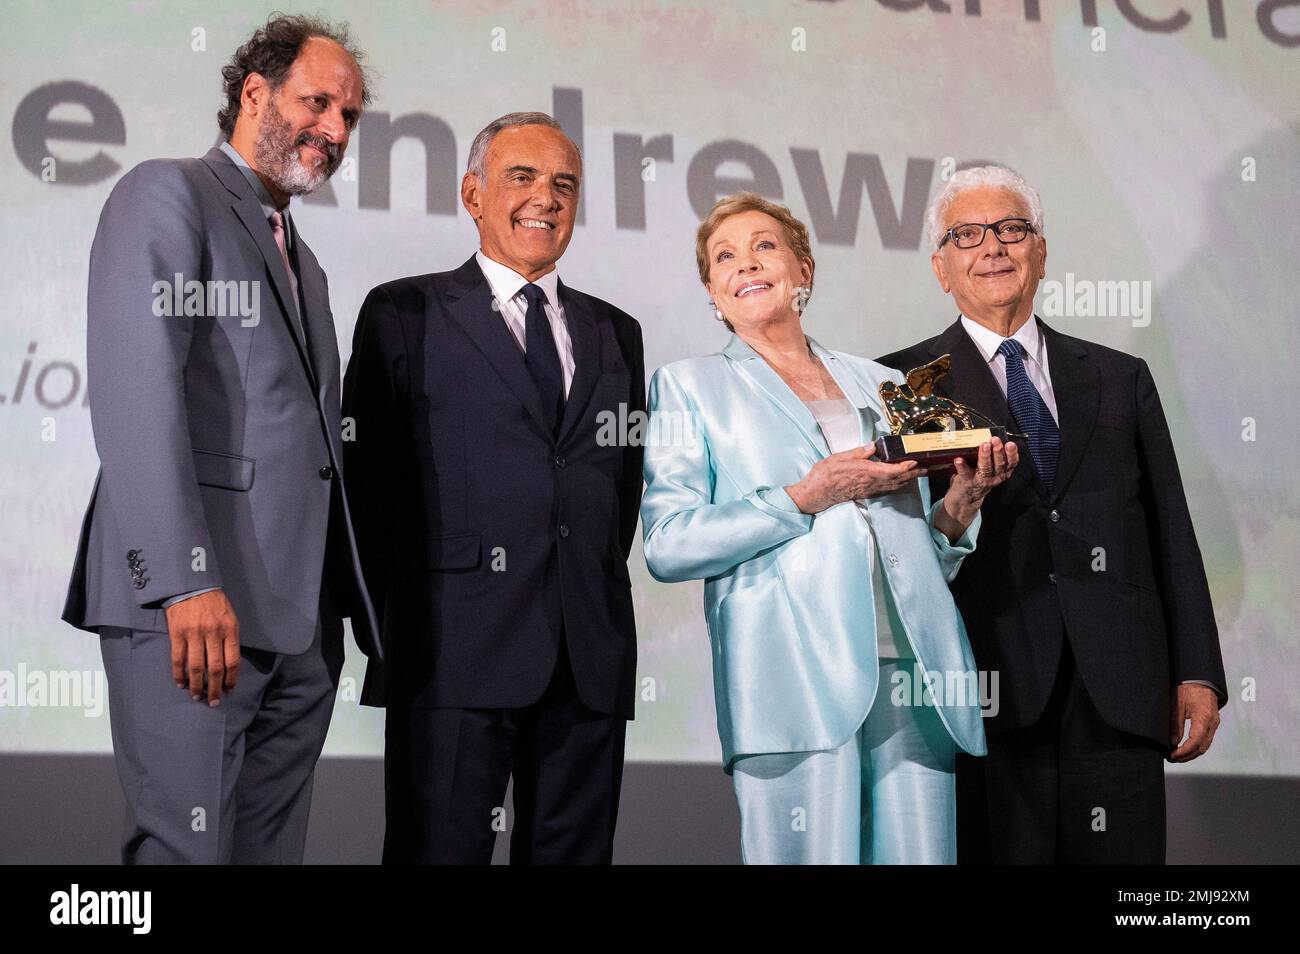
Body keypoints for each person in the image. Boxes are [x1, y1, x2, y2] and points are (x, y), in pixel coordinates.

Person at [62, 15, 380, 863]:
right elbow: (137, 394)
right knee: (184, 854)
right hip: (196, 614)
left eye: (350, 117)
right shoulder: (167, 192)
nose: (335, 130)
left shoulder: (301, 260)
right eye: (319, 103)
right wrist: (182, 583)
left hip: (297, 632)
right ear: (253, 92)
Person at [639, 192, 1016, 864]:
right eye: (724, 256)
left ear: (803, 269)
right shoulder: (689, 386)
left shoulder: (880, 383)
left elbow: (917, 552)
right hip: (792, 686)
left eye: (764, 246)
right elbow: (669, 543)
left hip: (913, 679)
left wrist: (963, 501)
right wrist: (807, 495)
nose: (746, 264)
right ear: (712, 292)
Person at [878, 165, 1227, 864]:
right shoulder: (904, 383)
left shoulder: (1119, 376)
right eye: (967, 235)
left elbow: (1170, 530)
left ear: (1042, 252)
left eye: (1013, 229)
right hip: (985, 686)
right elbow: (901, 548)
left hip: (1121, 693)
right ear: (941, 269)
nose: (993, 248)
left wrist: (1198, 670)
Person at [343, 112, 645, 865]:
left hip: (587, 657)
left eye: (564, 184)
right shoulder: (403, 312)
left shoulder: (618, 332)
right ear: (472, 195)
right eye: (522, 176)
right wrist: (393, 629)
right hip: (447, 656)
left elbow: (620, 493)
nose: (545, 196)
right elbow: (366, 488)